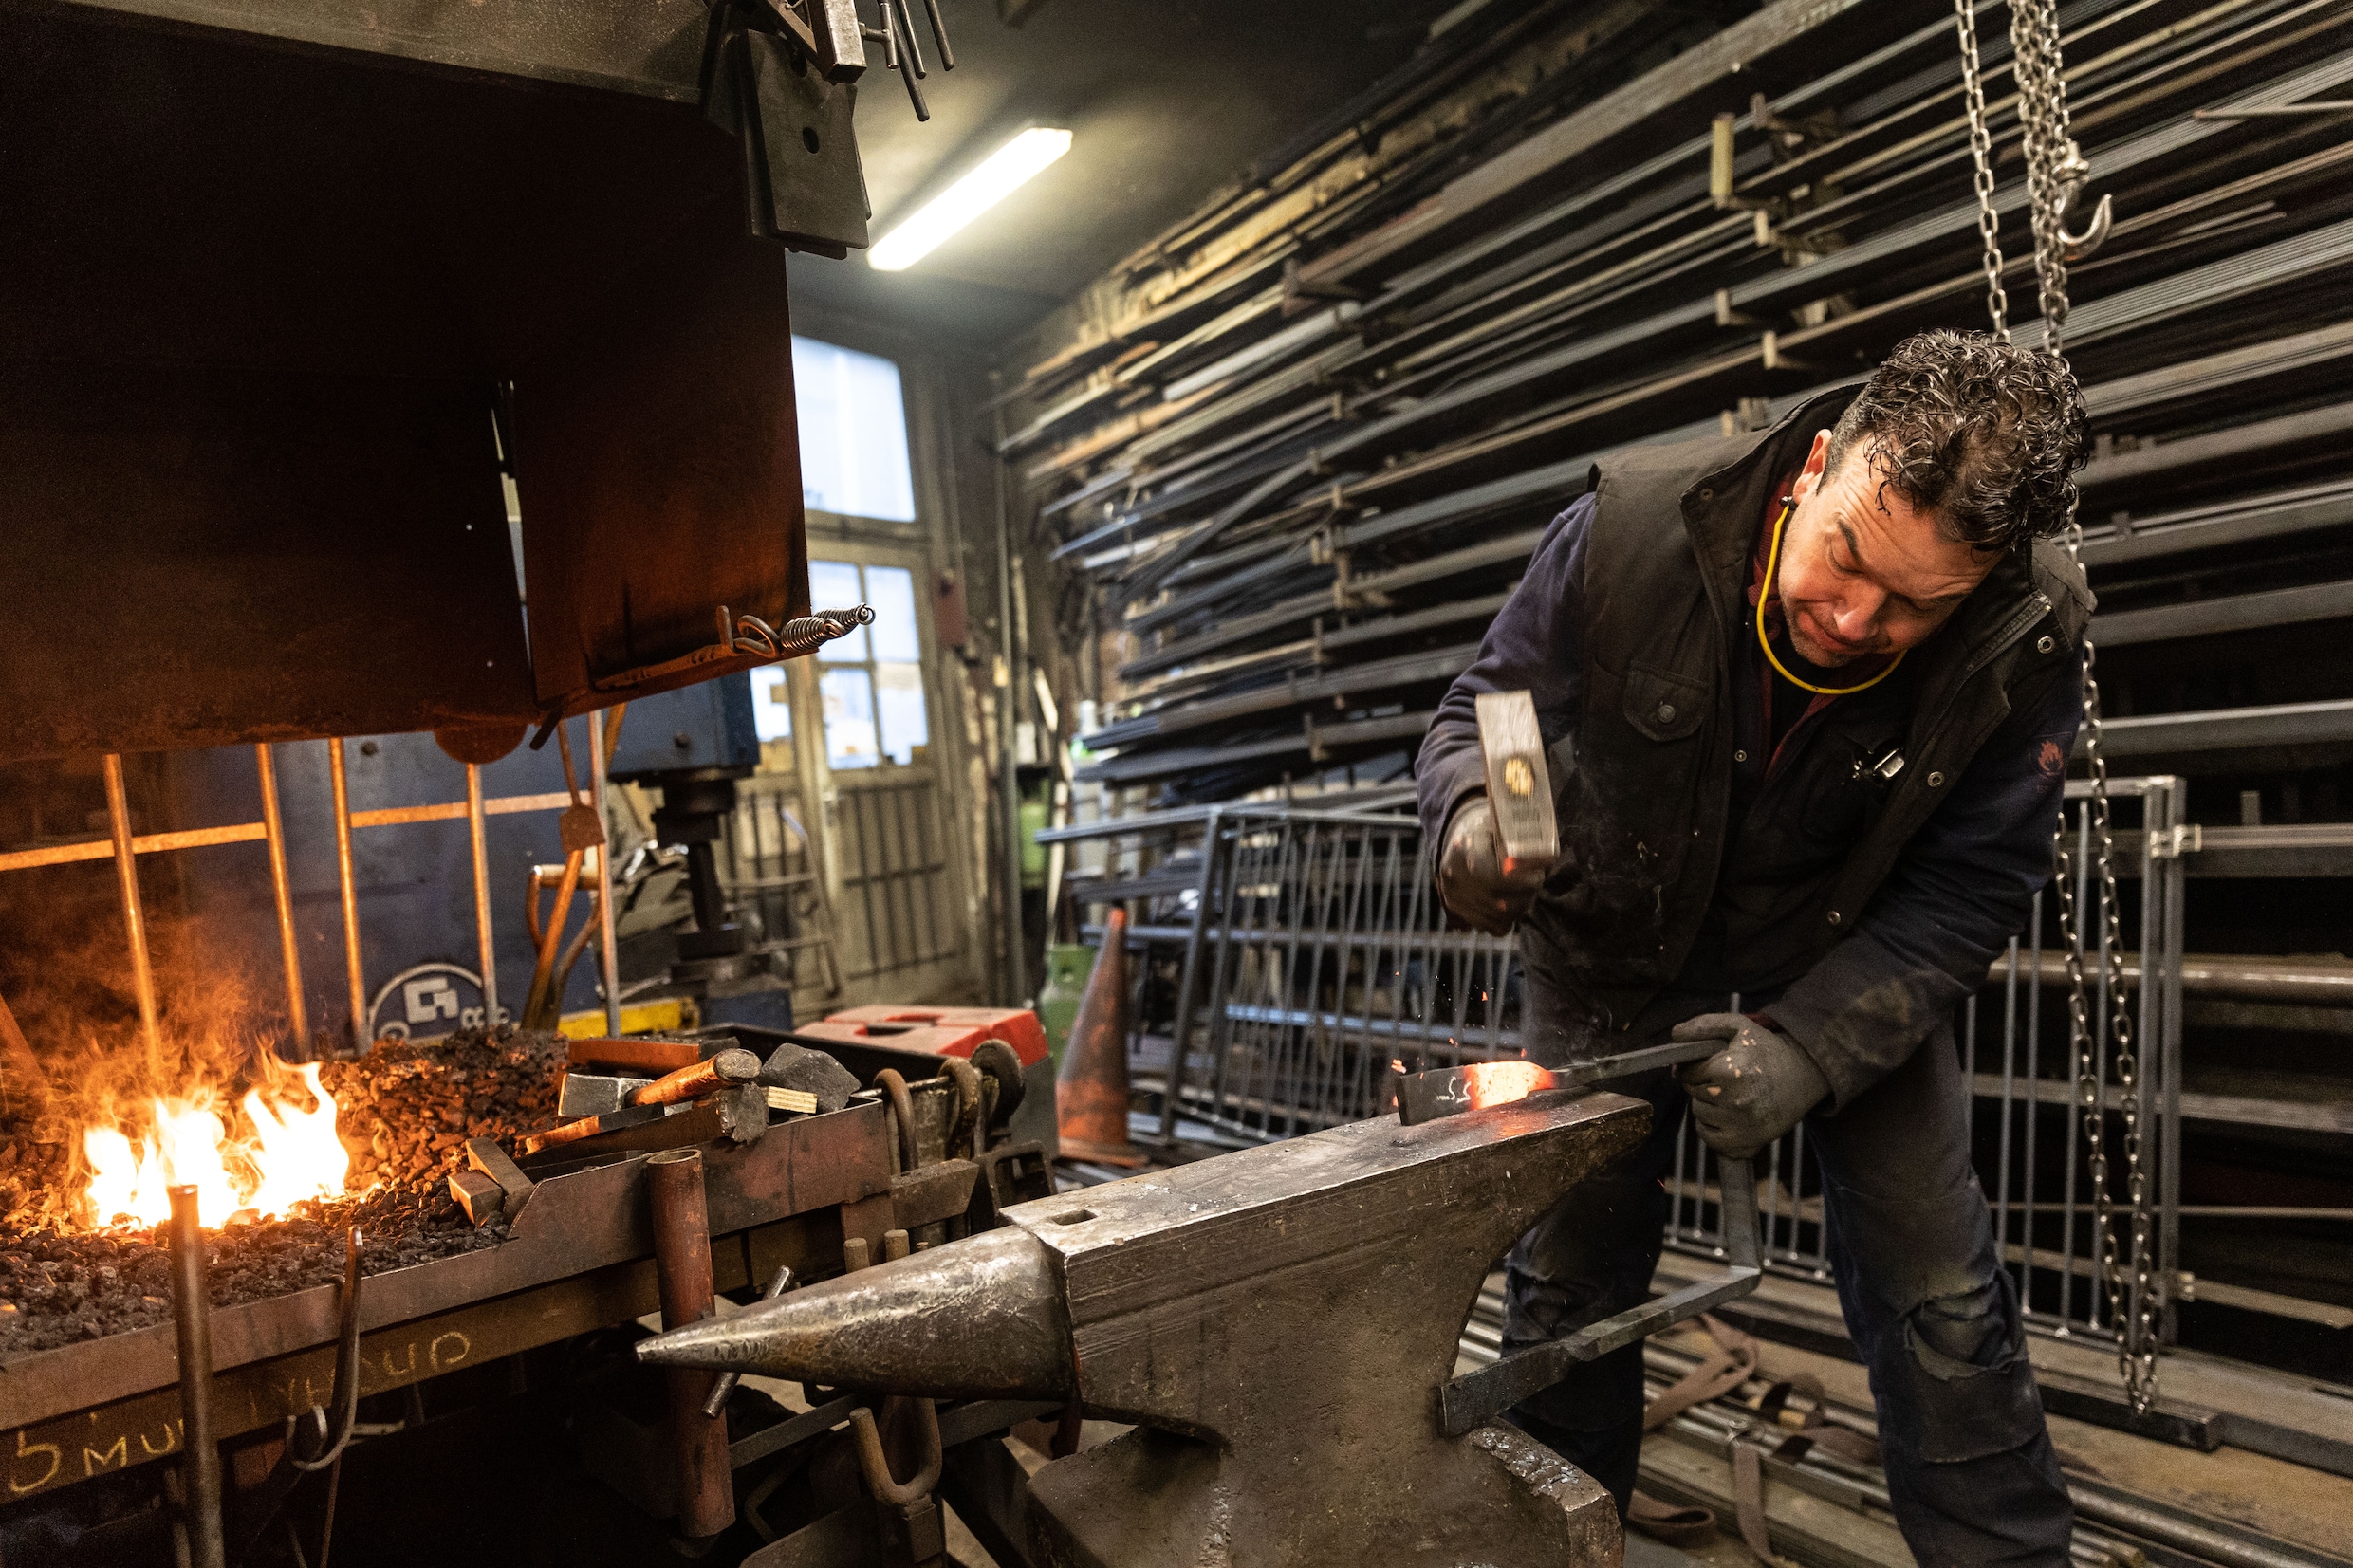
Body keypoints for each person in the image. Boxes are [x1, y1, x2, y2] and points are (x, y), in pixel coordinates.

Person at [1417, 329, 2092, 1563]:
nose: (1853, 615)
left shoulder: (2023, 634)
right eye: (1847, 558)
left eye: (1914, 606)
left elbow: (1975, 883)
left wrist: (1810, 1048)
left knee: (1944, 1301)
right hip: (1612, 943)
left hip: (1849, 960)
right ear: (1818, 466)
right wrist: (1471, 814)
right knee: (1570, 1286)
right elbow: (1491, 702)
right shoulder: (1633, 528)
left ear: (1985, 580)